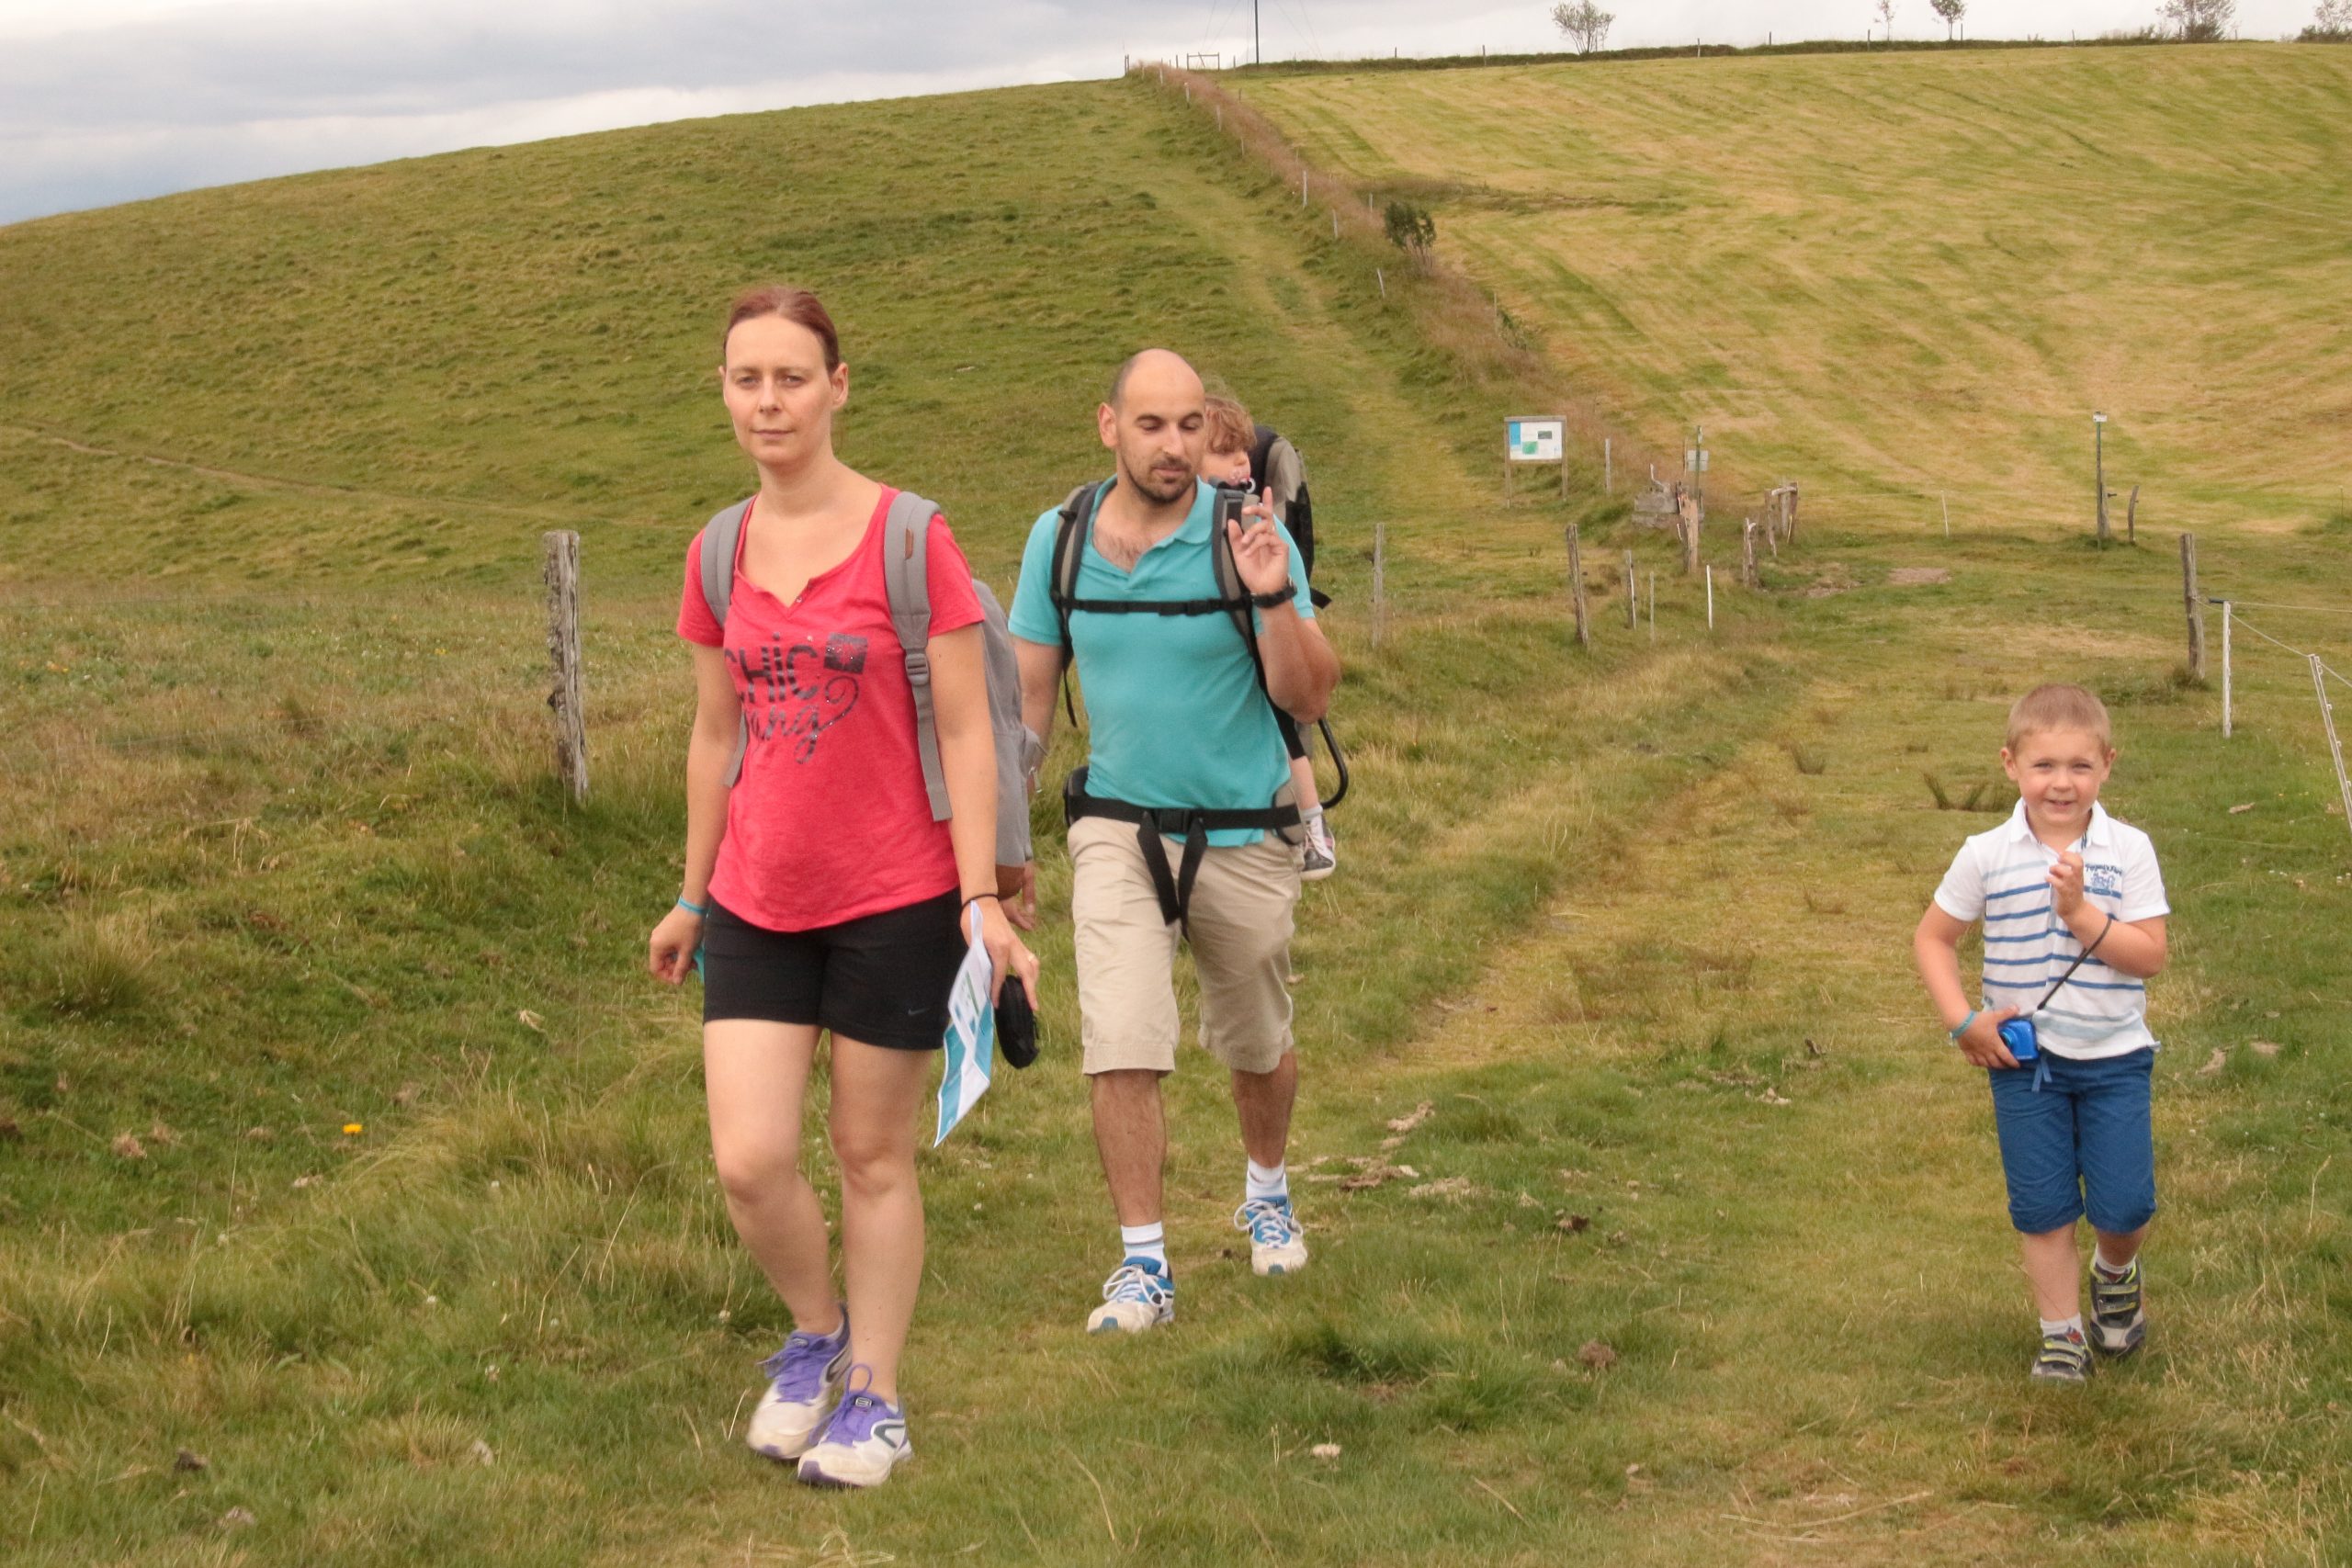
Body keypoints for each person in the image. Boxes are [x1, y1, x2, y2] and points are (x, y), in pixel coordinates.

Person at [647, 286, 1037, 1487]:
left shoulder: (911, 540)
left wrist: (979, 895)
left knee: (871, 1154)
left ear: (837, 387)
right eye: (746, 379)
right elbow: (716, 733)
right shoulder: (717, 551)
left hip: (897, 895)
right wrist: (692, 894)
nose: (768, 401)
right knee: (750, 1159)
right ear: (723, 391)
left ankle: (876, 1394)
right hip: (757, 897)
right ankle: (817, 1334)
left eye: (791, 377)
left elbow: (967, 730)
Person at [1008, 349, 1340, 1334]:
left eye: (1190, 425)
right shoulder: (1059, 539)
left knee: (1257, 1040)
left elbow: (1308, 697)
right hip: (1118, 828)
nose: (1173, 446)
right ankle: (1143, 1264)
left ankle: (1267, 1192)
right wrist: (1003, 845)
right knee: (1120, 1039)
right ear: (1108, 425)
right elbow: (1028, 701)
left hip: (1245, 828)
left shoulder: (1249, 533)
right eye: (1151, 424)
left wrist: (1272, 594)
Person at [1912, 683, 2170, 1384]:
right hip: (2022, 1064)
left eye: (2080, 765)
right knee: (2042, 1205)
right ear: (2010, 764)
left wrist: (2080, 913)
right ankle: (2062, 1335)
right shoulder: (1986, 853)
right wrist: (1963, 1021)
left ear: (2107, 764)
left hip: (2115, 1058)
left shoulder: (2130, 849)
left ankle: (2115, 1270)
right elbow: (1934, 939)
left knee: (2125, 1203)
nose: (2062, 782)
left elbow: (2150, 954)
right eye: (2045, 765)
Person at [1202, 393, 1337, 880]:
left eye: (1243, 450)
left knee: (1286, 738)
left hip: (1260, 661)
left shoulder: (1261, 521)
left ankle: (1312, 825)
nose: (1241, 461)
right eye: (1224, 451)